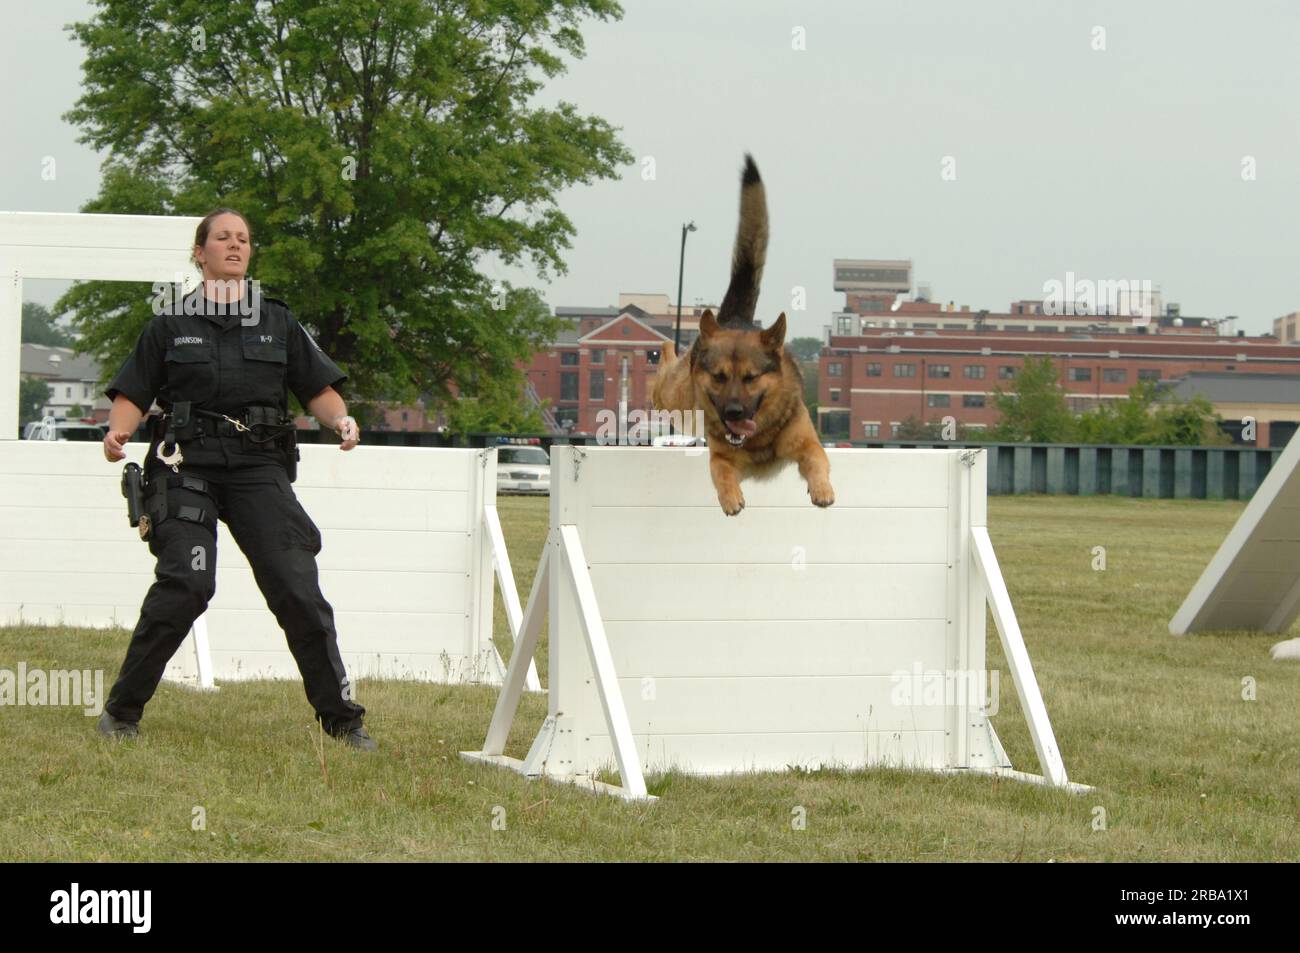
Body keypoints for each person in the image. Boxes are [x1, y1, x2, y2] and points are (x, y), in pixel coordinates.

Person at [97, 207, 376, 751]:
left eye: (243, 239)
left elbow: (316, 387)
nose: (234, 245)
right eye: (222, 237)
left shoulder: (278, 321)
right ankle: (122, 712)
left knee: (297, 588)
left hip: (257, 470)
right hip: (185, 467)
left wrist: (340, 418)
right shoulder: (167, 325)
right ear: (199, 252)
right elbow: (132, 393)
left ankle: (343, 722)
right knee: (188, 583)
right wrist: (117, 435)